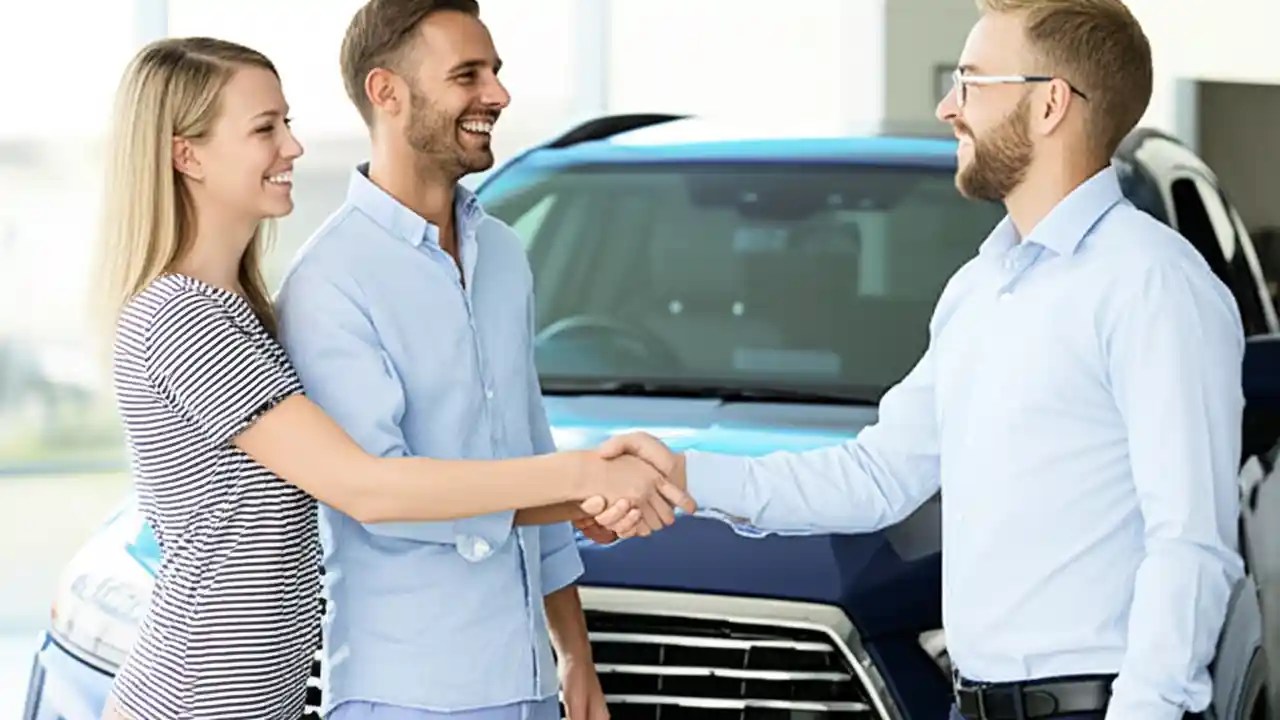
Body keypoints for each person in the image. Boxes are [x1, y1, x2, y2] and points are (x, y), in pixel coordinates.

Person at [592, 1, 1247, 718]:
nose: (947, 107)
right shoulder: (981, 287)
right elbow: (877, 475)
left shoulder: (1154, 284)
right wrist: (687, 474)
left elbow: (1189, 546)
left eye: (970, 82)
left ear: (1050, 102)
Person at [94, 36, 688, 720]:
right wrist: (582, 477)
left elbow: (424, 485)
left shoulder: (243, 314)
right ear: (185, 154)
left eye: (286, 122)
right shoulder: (180, 320)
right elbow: (367, 486)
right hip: (191, 701)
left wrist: (579, 505)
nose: (293, 147)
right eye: (265, 128)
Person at [271, 2, 677, 719]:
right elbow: (384, 496)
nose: (497, 94)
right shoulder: (328, 282)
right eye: (468, 74)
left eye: (494, 72)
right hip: (405, 695)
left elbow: (527, 445)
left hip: (527, 689)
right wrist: (579, 481)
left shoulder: (505, 257)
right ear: (386, 92)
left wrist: (574, 654)